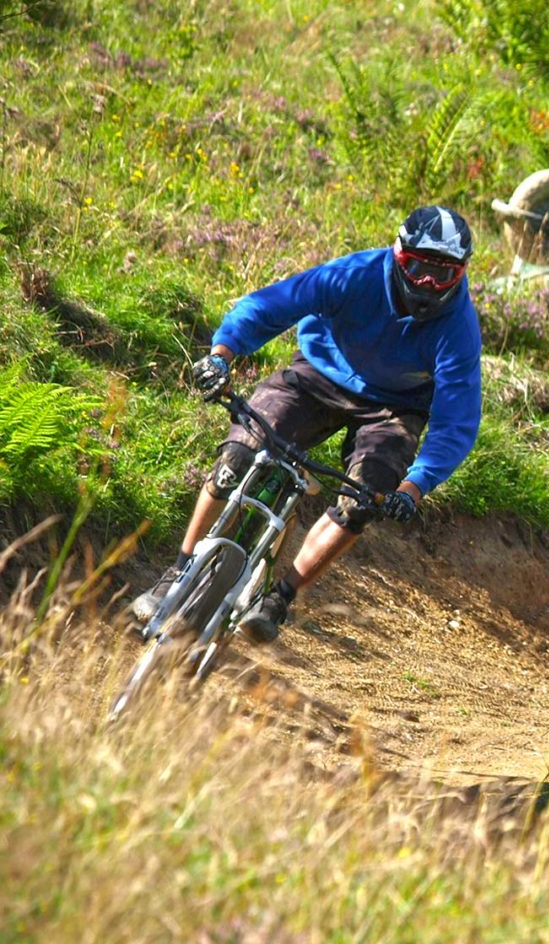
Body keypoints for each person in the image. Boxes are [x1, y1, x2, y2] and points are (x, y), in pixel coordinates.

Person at [129, 206, 484, 643]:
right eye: (418, 268)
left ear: (462, 272)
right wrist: (221, 355)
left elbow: (455, 421)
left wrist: (414, 487)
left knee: (363, 501)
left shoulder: (459, 329)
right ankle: (178, 571)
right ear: (397, 254)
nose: (427, 284)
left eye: (443, 275)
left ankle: (278, 598)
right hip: (317, 375)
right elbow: (273, 304)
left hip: (393, 408)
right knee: (237, 455)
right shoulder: (354, 275)